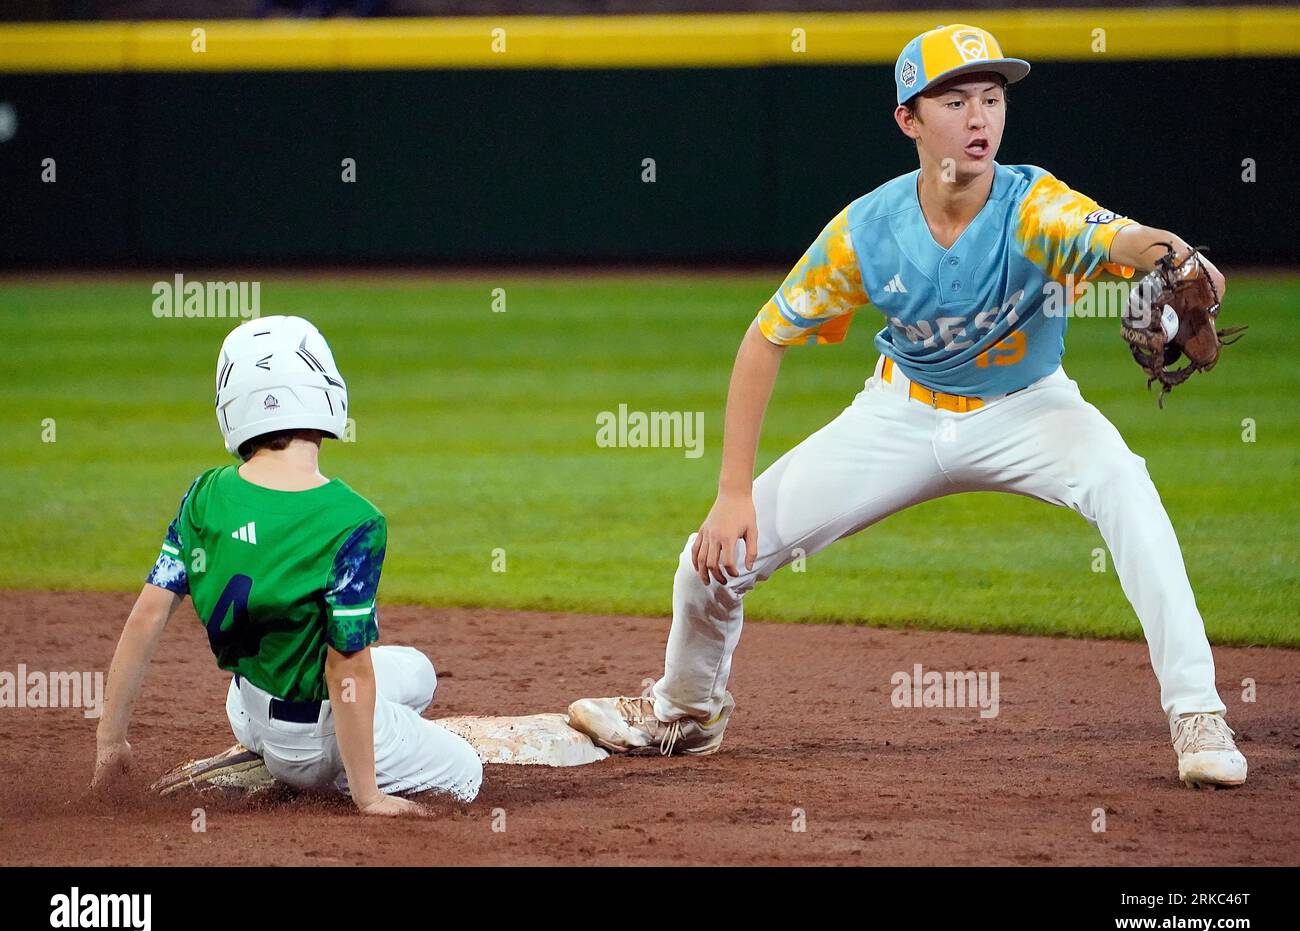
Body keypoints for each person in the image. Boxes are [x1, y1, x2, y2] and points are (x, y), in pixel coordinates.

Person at [567, 23, 1247, 789]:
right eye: (954, 100)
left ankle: (1198, 712)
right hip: (900, 414)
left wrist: (1188, 269)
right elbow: (765, 338)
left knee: (1127, 487)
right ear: (909, 120)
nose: (980, 117)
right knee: (709, 561)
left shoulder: (1036, 208)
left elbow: (1142, 245)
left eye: (991, 98)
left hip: (1030, 410)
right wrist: (731, 493)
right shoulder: (867, 230)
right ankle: (687, 712)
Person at [91, 315, 482, 813]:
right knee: (467, 773)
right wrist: (369, 796)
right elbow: (348, 665)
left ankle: (263, 756)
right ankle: (314, 779)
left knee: (419, 673)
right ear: (324, 390)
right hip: (313, 742)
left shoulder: (204, 495)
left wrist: (111, 743)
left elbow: (147, 615)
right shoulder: (352, 520)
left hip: (245, 708)